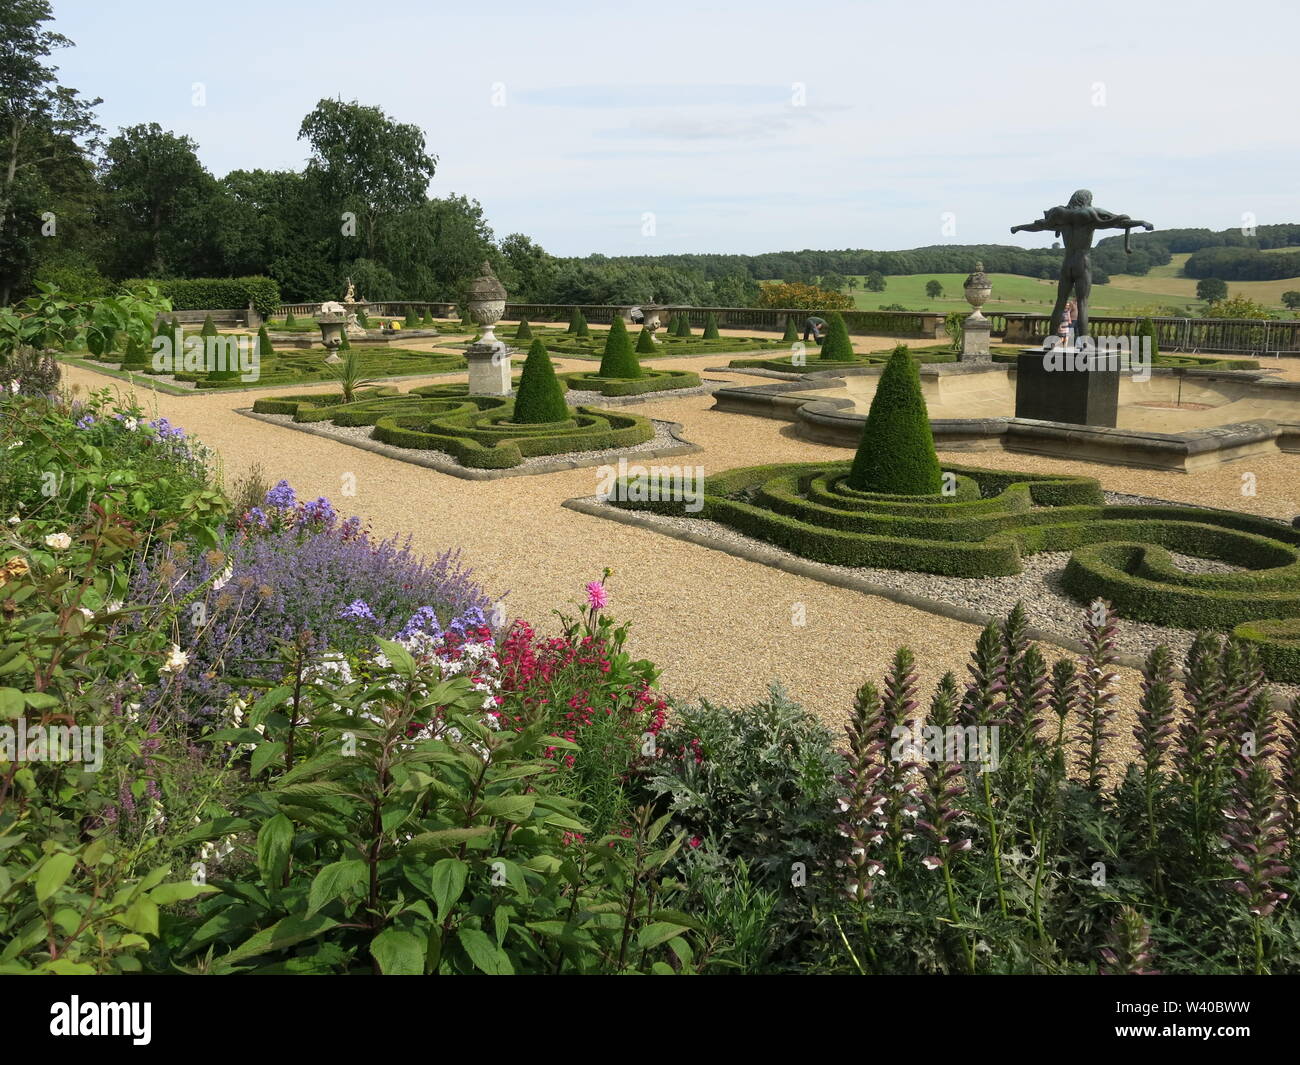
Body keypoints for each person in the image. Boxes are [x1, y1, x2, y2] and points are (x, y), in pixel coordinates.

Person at [1011, 189, 1152, 340]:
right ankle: (1084, 343)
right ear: (1087, 200)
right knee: (1082, 303)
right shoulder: (1090, 214)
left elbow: (1039, 226)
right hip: (1082, 262)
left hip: (1067, 263)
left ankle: (1051, 341)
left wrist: (1018, 227)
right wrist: (1142, 223)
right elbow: (1118, 222)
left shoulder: (1060, 215)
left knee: (1060, 302)